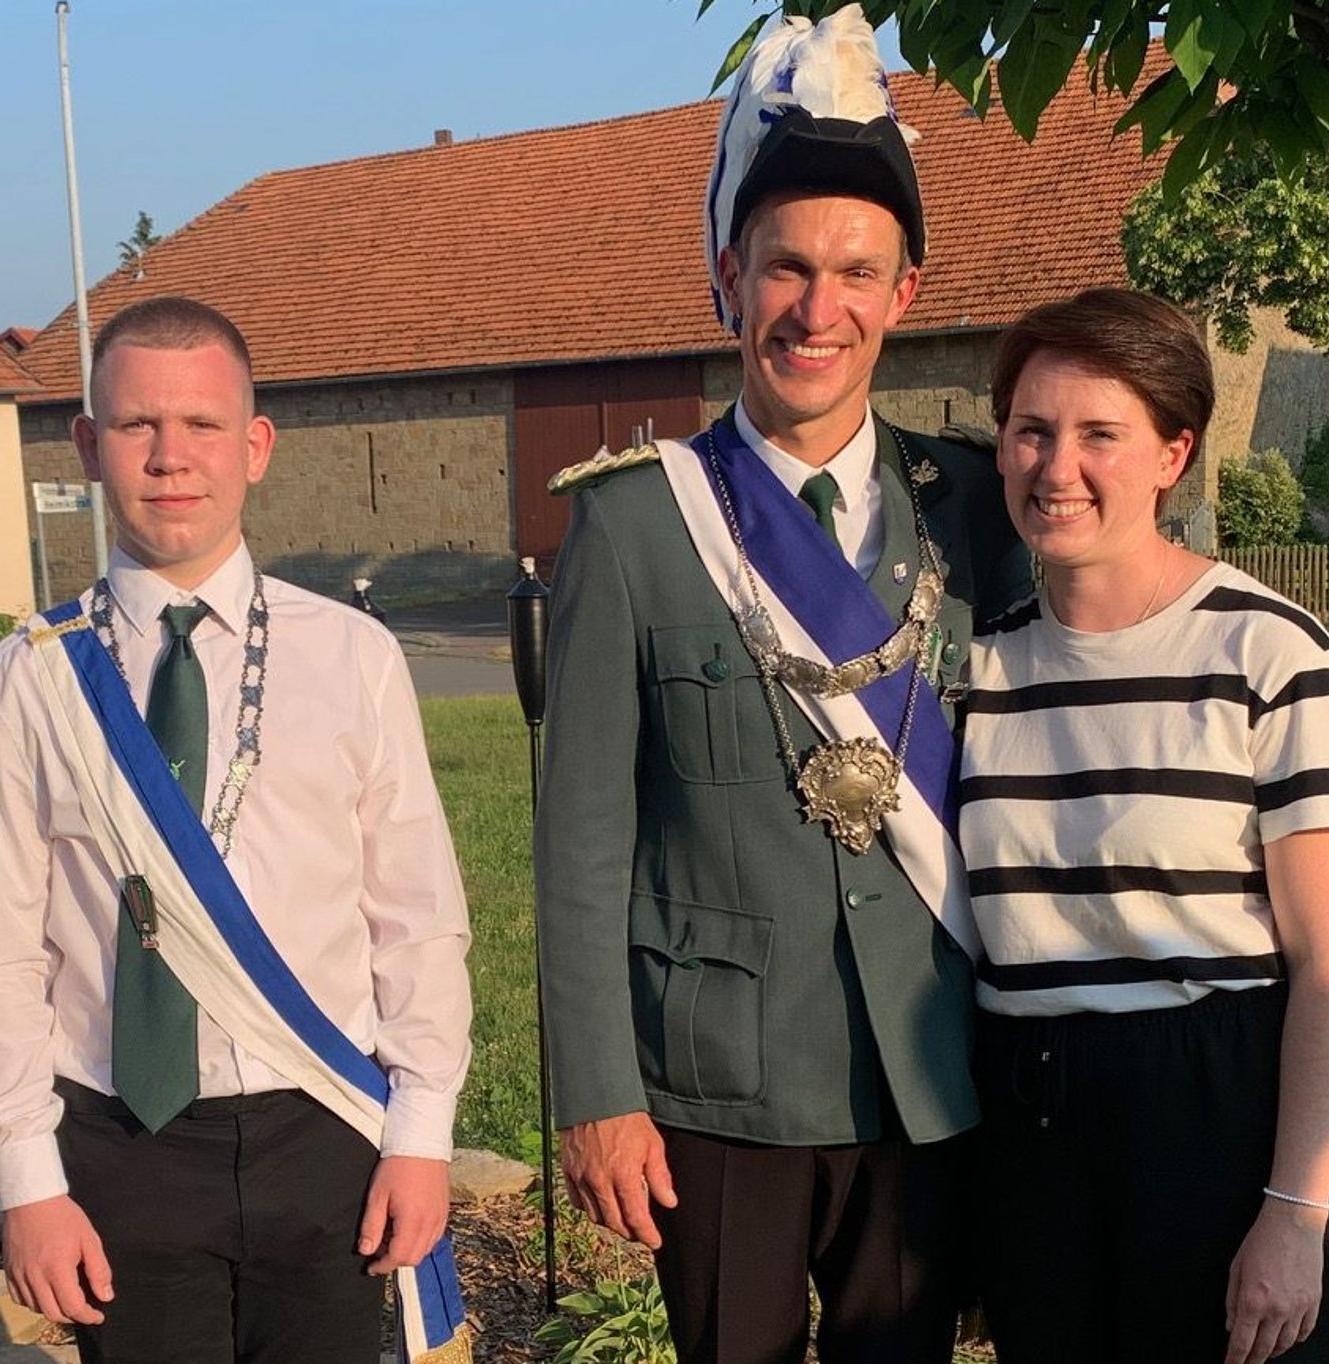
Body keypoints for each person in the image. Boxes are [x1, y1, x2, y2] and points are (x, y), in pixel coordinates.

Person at [533, 8, 1032, 1362]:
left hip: (931, 1075)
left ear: (906, 293)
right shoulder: (635, 527)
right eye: (788, 269)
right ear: (727, 280)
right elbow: (582, 841)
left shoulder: (976, 506)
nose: (821, 309)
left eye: (857, 273)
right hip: (716, 1089)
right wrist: (597, 1094)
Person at [0, 295, 473, 1364]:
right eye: (137, 425)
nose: (170, 457)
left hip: (321, 1120)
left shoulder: (350, 656)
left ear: (255, 445)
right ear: (90, 445)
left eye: (201, 425)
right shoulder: (26, 679)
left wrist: (420, 1133)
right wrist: (27, 1177)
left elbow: (416, 916)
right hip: (118, 1138)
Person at [960, 287, 1329, 1364]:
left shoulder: (1271, 655)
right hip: (1034, 1130)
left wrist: (1293, 1211)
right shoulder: (976, 669)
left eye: (1100, 433)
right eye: (1031, 430)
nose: (1056, 467)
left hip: (1218, 1118)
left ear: (1171, 454)